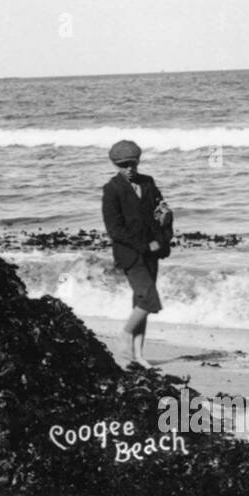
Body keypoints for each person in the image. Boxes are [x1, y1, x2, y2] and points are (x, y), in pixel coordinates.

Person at [102, 140, 173, 370]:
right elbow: (115, 230)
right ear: (116, 165)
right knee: (149, 298)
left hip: (152, 251)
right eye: (123, 165)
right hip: (130, 254)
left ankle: (138, 355)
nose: (129, 168)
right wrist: (145, 246)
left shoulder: (149, 182)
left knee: (140, 302)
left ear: (138, 161)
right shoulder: (111, 189)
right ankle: (124, 335)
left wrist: (164, 230)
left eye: (132, 163)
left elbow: (161, 212)